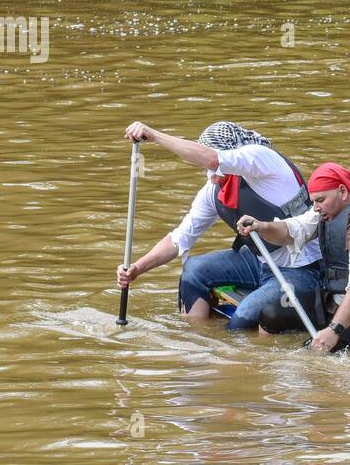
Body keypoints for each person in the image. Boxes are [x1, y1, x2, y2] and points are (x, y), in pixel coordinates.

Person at [114, 120, 321, 327]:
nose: (211, 176)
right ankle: (197, 343)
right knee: (194, 271)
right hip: (261, 261)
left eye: (213, 165)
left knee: (241, 320)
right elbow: (180, 238)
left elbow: (212, 159)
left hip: (303, 268)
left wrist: (155, 136)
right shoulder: (214, 190)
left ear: (232, 156)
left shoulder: (260, 158)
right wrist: (137, 269)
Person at [237, 163, 350, 353]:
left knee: (310, 352)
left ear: (342, 191)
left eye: (320, 200)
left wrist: (334, 330)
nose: (315, 208)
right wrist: (261, 227)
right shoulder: (332, 208)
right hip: (335, 302)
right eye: (314, 201)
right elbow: (292, 231)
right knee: (272, 315)